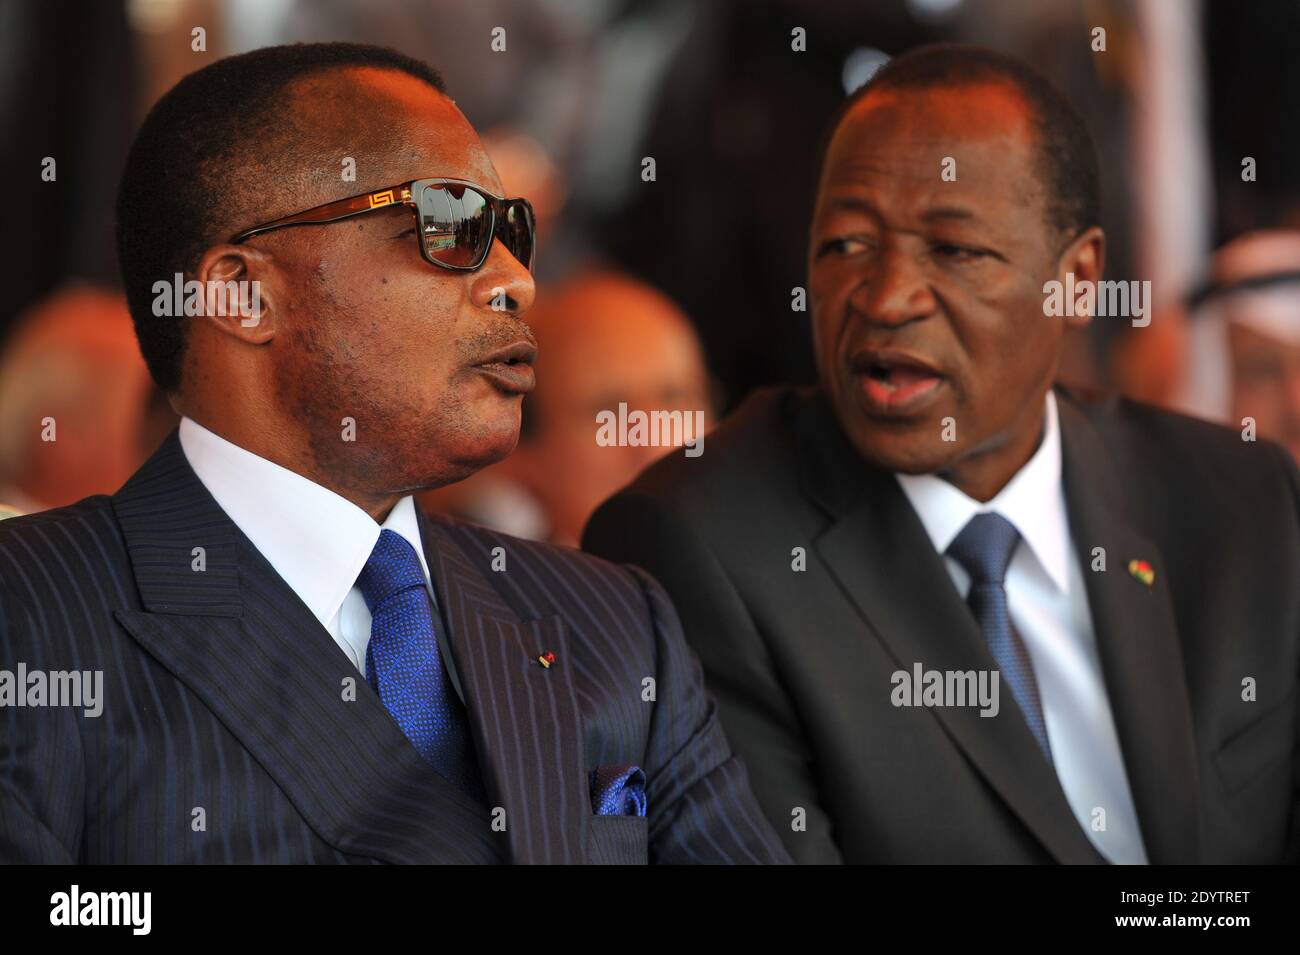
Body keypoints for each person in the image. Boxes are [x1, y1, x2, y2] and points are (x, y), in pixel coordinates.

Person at [0, 42, 786, 865]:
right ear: (240, 291)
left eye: (511, 229)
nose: (517, 280)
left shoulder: (619, 625)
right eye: (451, 222)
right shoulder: (33, 620)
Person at [585, 44, 1300, 864]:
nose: (886, 299)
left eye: (956, 251)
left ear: (1077, 279)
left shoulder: (1244, 500)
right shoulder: (696, 549)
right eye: (845, 245)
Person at [421, 269, 714, 546]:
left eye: (675, 398)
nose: (653, 441)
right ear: (514, 447)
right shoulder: (485, 580)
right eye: (608, 412)